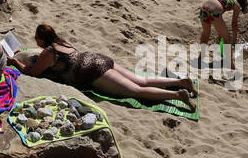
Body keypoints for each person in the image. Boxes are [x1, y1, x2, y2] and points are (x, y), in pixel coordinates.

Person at [12, 24, 194, 109]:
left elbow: (33, 73)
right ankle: (181, 82)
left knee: (136, 90)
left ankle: (177, 94)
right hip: (98, 58)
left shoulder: (49, 52)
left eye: (37, 39)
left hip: (93, 72)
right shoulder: (62, 41)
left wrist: (15, 62)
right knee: (142, 79)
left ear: (42, 40)